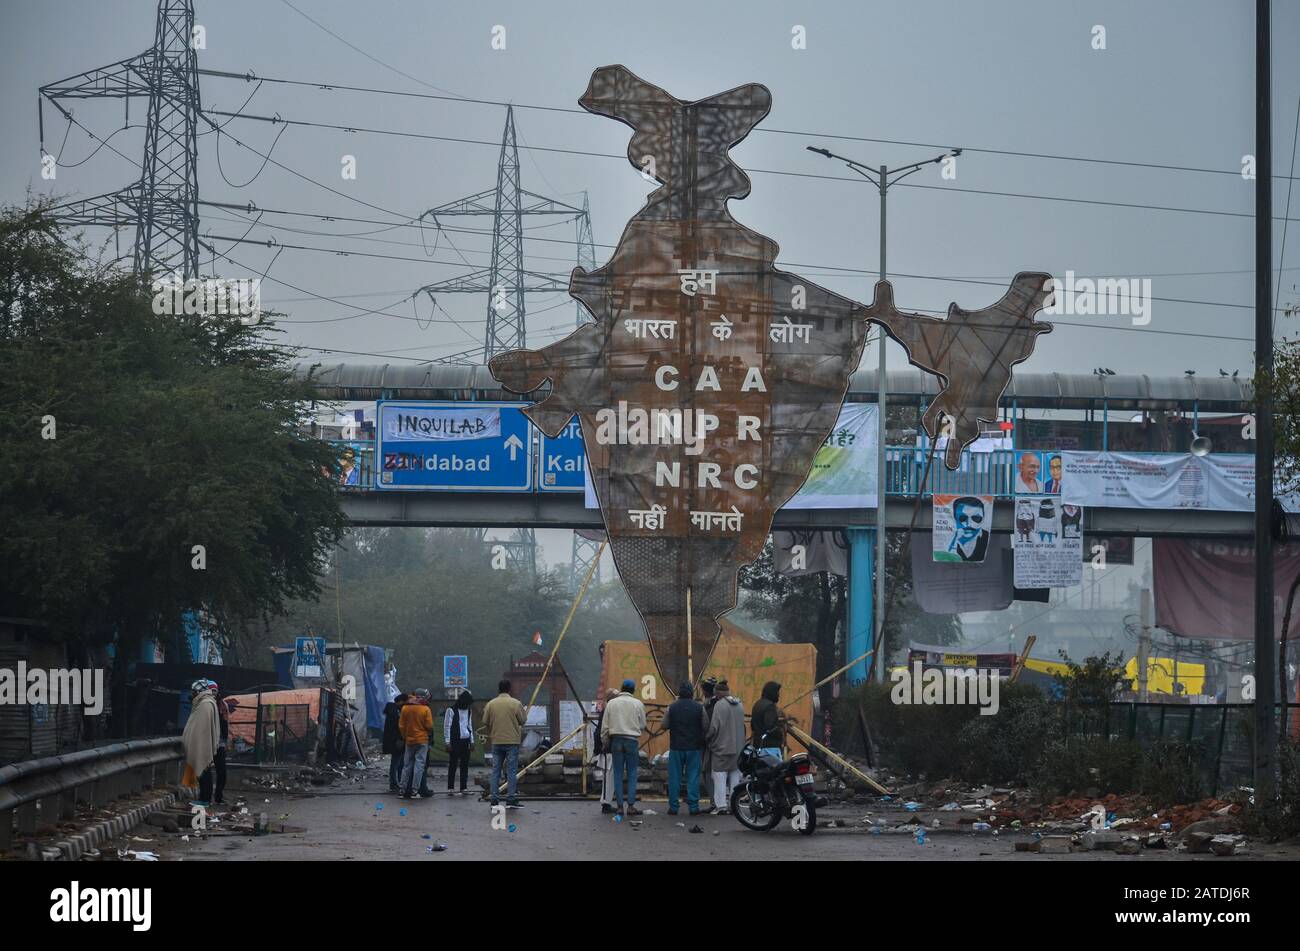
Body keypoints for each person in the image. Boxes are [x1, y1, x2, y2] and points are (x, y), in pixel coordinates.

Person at [600, 679, 647, 816]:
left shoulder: (612, 704)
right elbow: (643, 725)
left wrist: (605, 742)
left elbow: (605, 727)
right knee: (632, 774)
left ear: (621, 688)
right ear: (633, 690)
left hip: (616, 741)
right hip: (632, 741)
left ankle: (620, 806)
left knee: (618, 774)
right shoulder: (638, 704)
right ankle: (631, 806)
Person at [661, 681, 708, 816]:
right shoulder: (699, 708)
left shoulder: (672, 707)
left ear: (679, 693)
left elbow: (663, 725)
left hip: (676, 747)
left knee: (674, 777)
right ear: (691, 693)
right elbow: (706, 726)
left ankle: (673, 807)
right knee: (693, 777)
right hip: (694, 747)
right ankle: (693, 807)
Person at [483, 679, 526, 808]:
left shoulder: (491, 704)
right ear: (509, 689)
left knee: (496, 771)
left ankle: (494, 799)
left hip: (496, 741)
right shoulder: (515, 703)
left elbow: (485, 721)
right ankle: (511, 799)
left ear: (498, 689)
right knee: (511, 771)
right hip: (512, 741)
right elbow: (523, 720)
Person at [705, 679, 746, 814]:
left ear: (718, 693)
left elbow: (714, 727)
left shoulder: (720, 705)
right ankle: (735, 805)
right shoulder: (740, 705)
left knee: (718, 776)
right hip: (738, 748)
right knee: (735, 776)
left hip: (722, 748)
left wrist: (708, 738)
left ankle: (721, 806)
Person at [182, 680, 221, 807]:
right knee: (204, 771)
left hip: (202, 744)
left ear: (198, 691)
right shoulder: (206, 702)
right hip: (203, 743)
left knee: (204, 771)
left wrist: (197, 744)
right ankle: (204, 799)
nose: (192, 694)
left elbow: (201, 728)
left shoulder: (205, 704)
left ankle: (204, 800)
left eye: (194, 692)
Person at [398, 688, 435, 799]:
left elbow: (401, 726)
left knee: (406, 766)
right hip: (422, 740)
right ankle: (415, 790)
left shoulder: (405, 708)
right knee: (419, 766)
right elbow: (429, 726)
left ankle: (402, 789)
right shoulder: (425, 709)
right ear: (423, 697)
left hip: (409, 741)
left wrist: (406, 736)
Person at [593, 688, 620, 814]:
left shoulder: (606, 710)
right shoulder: (610, 711)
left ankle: (606, 802)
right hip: (608, 749)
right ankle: (606, 803)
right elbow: (602, 732)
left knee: (608, 778)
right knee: (609, 778)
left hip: (605, 748)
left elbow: (598, 731)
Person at [443, 690, 475, 795]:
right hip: (454, 740)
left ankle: (463, 788)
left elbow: (470, 726)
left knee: (464, 765)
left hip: (465, 740)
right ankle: (450, 788)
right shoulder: (451, 710)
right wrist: (447, 742)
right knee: (453, 764)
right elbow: (447, 726)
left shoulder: (469, 711)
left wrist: (472, 741)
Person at [948, 496, 990, 562]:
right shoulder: (947, 537)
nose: (969, 524)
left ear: (983, 519)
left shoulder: (987, 537)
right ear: (955, 518)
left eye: (976, 518)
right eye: (963, 518)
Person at [382, 693, 408, 792]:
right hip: (396, 741)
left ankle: (397, 782)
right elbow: (396, 728)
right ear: (401, 701)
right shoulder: (395, 712)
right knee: (396, 763)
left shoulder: (392, 710)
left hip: (395, 740)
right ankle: (394, 783)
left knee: (398, 763)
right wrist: (400, 738)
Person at [751, 681, 784, 757]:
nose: (779, 695)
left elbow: (753, 726)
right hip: (770, 748)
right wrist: (780, 732)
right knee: (776, 768)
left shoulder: (757, 704)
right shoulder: (770, 707)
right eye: (777, 692)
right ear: (772, 693)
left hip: (758, 747)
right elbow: (770, 727)